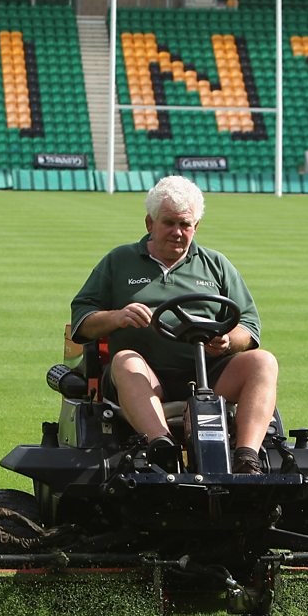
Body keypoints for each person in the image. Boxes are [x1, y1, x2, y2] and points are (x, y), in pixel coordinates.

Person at [70, 176, 278, 474]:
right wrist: (117, 317)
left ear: (196, 227)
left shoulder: (216, 265)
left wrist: (229, 341)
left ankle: (247, 456)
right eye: (169, 223)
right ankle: (162, 446)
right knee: (126, 359)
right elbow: (83, 318)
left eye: (186, 225)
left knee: (264, 361)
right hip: (143, 375)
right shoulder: (120, 261)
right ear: (149, 223)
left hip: (209, 373)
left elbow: (248, 325)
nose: (178, 232)